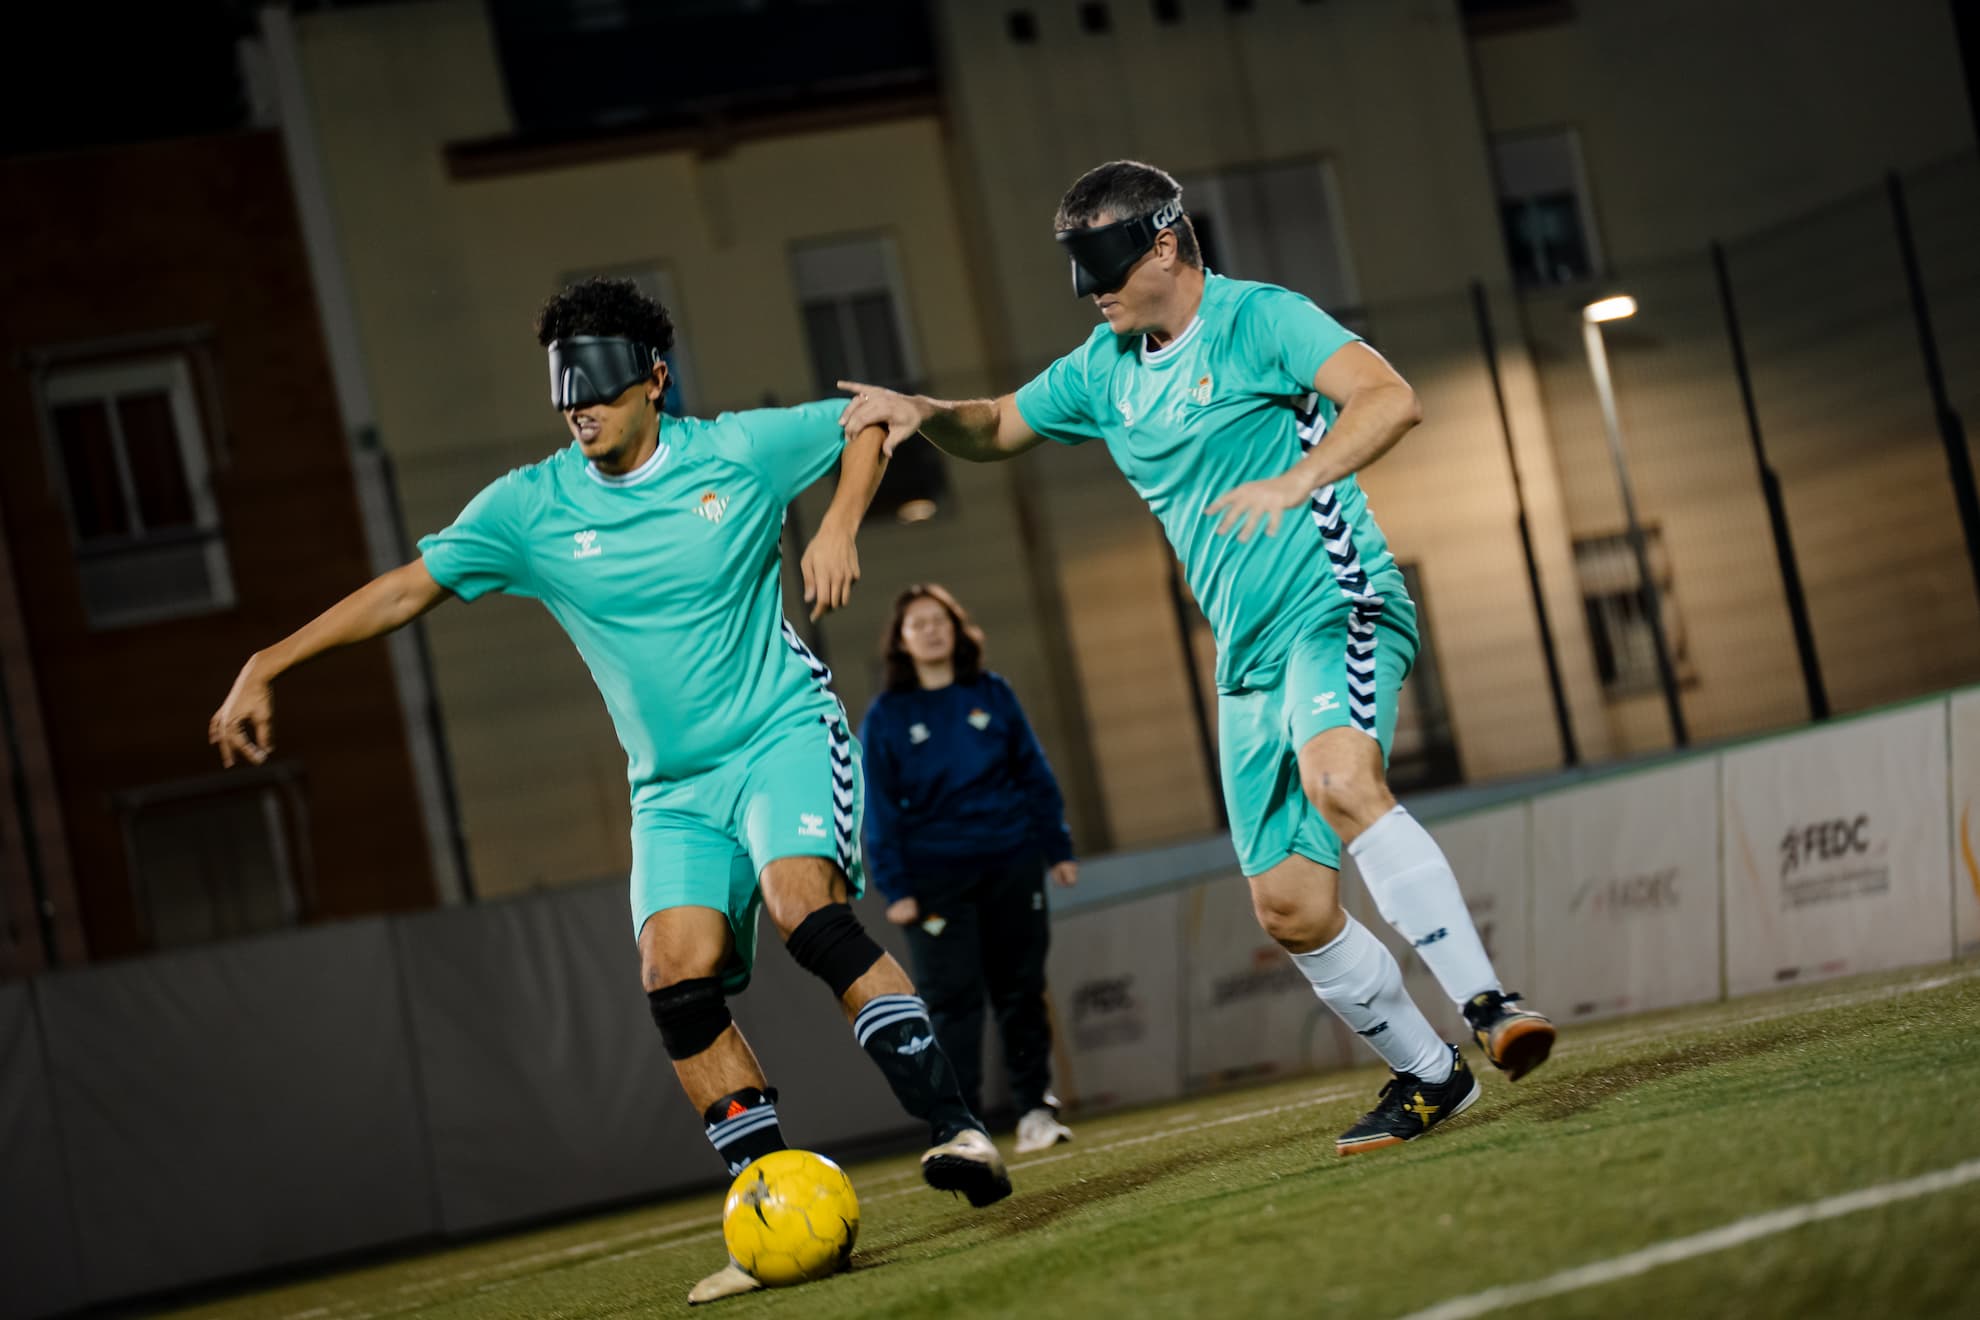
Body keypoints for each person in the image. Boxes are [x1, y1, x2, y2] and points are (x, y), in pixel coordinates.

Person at [208, 277, 1010, 1305]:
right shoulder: (530, 509)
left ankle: (959, 1131)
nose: (578, 404)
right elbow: (409, 587)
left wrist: (840, 524)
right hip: (671, 790)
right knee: (673, 975)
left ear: (653, 380)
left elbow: (870, 420)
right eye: (564, 385)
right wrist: (268, 661)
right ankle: (771, 1206)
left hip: (780, 734)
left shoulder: (736, 452)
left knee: (803, 905)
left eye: (596, 380)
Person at [838, 161, 1556, 1157]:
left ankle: (1489, 1003)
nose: (1090, 290)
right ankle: (1431, 1076)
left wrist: (1296, 479)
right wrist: (925, 411)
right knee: (1293, 910)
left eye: (1102, 265)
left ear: (1166, 245)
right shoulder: (1101, 369)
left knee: (1342, 776)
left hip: (1334, 606)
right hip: (1249, 659)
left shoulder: (1263, 319)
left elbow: (1388, 400)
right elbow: (1000, 424)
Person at [861, 584, 1079, 1155]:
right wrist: (895, 884)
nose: (932, 630)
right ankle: (962, 1126)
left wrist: (1057, 849)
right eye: (918, 624)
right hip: (935, 881)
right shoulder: (887, 716)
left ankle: (1035, 1109)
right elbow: (878, 807)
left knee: (1021, 991)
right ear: (901, 643)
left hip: (1011, 860)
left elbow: (1035, 772)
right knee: (953, 1001)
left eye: (940, 620)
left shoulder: (993, 694)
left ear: (958, 629)